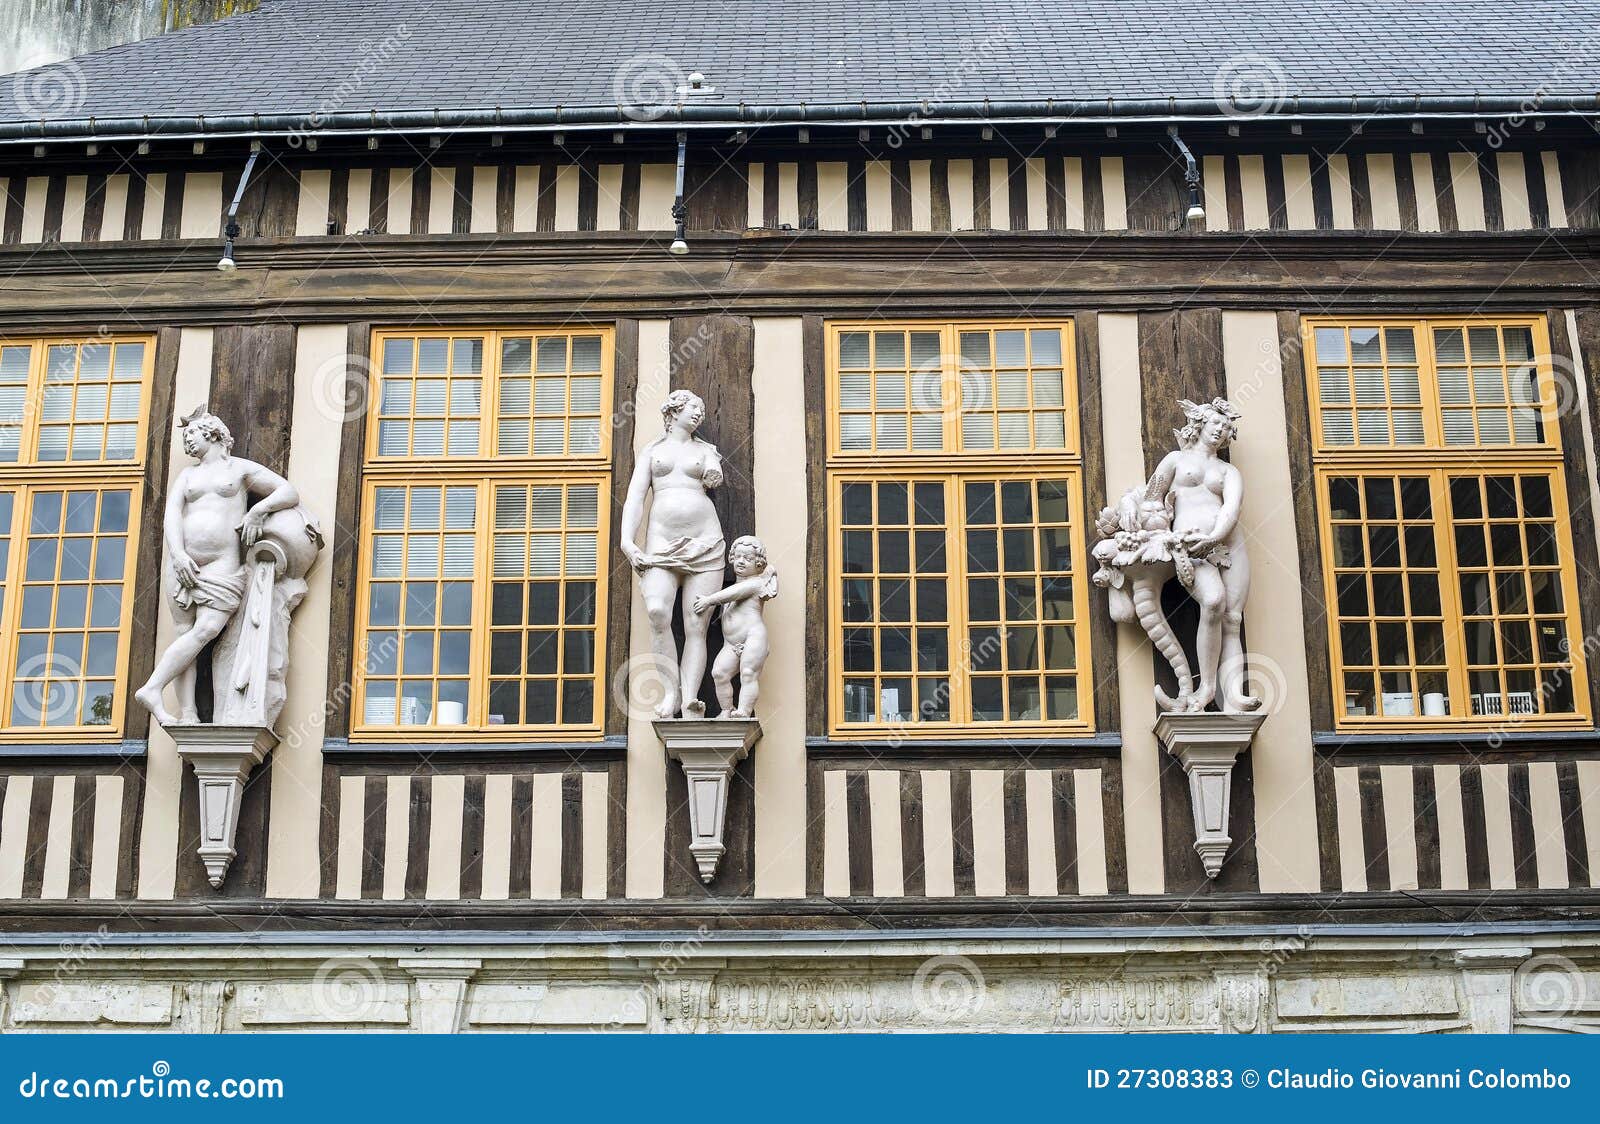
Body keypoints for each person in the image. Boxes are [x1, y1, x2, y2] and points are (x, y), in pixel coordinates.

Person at [135, 406, 303, 727]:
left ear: (212, 434)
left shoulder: (239, 470)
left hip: (223, 566)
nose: (187, 443)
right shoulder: (187, 476)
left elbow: (287, 491)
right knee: (185, 631)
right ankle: (187, 715)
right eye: (185, 437)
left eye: (192, 435)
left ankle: (153, 687)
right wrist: (179, 554)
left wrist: (258, 511)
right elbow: (172, 515)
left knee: (209, 629)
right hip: (183, 564)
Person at [1142, 397, 1259, 712]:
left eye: (1225, 428)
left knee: (1233, 618)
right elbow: (1151, 496)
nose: (1220, 431)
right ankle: (1206, 689)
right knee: (1213, 601)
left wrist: (1215, 537)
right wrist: (1157, 521)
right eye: (1215, 424)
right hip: (1189, 546)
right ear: (1200, 424)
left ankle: (1234, 697)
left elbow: (1231, 510)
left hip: (1227, 543)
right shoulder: (1175, 460)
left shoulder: (1228, 471)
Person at [619, 389, 725, 718]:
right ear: (674, 410)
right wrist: (627, 542)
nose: (699, 414)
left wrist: (713, 473)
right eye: (694, 407)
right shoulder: (652, 452)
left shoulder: (707, 450)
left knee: (697, 624)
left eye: (702, 410)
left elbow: (713, 474)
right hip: (660, 545)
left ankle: (690, 697)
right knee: (656, 611)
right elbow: (636, 499)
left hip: (705, 542)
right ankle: (670, 691)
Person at [692, 536, 779, 718]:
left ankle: (744, 712)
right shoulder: (734, 588)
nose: (741, 561)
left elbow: (734, 593)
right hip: (731, 643)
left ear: (758, 563)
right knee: (719, 673)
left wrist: (708, 600)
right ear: (732, 557)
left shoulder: (756, 583)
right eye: (738, 556)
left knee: (748, 673)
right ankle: (727, 709)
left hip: (753, 637)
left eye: (748, 558)